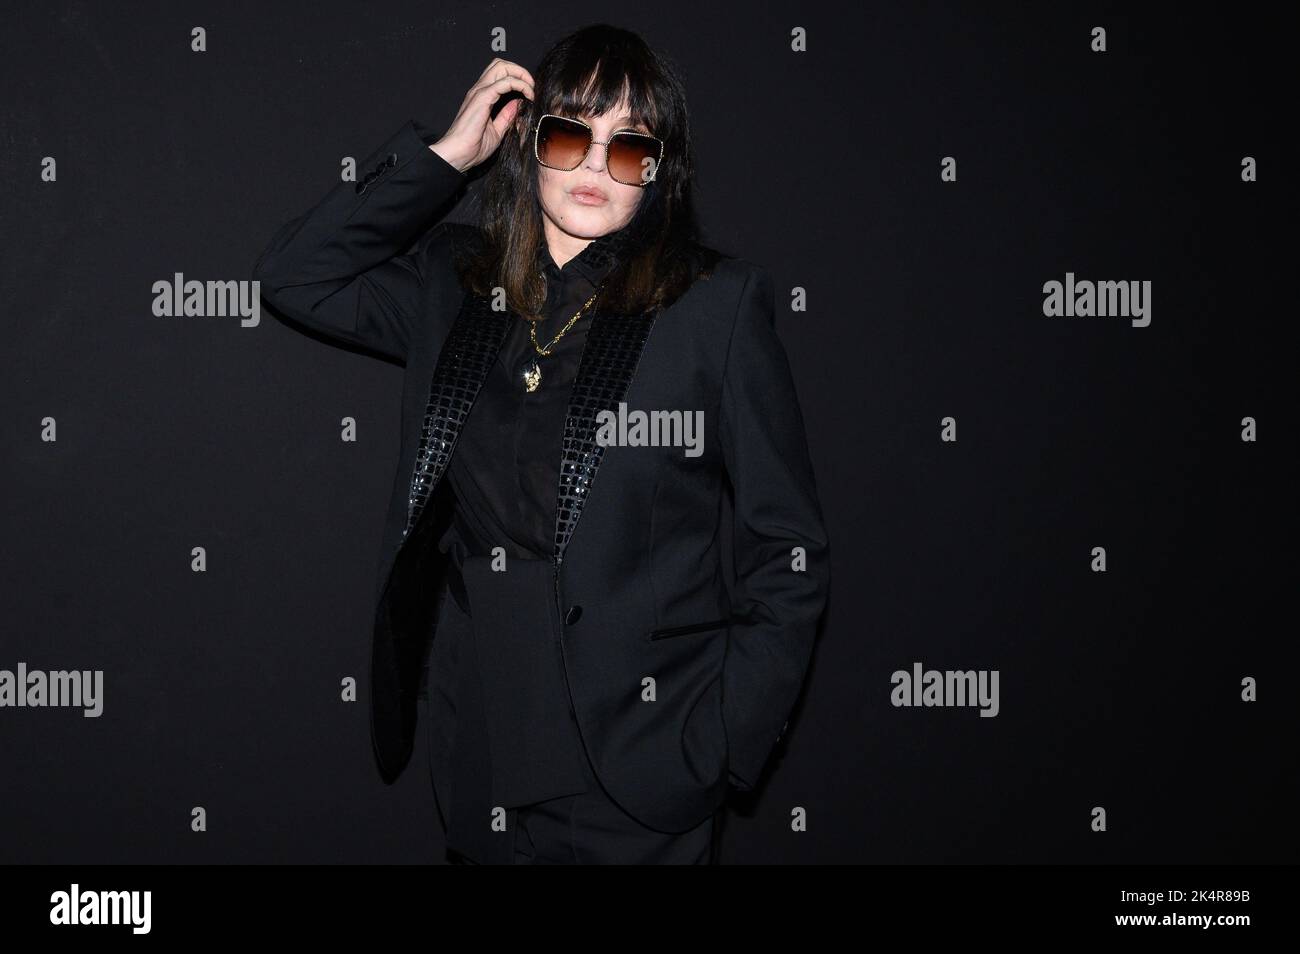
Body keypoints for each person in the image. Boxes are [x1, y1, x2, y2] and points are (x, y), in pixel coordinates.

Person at [252, 23, 830, 864]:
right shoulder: (453, 285)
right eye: (570, 135)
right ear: (528, 140)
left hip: (643, 746)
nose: (595, 167)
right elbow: (295, 275)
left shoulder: (714, 308)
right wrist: (448, 154)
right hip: (481, 723)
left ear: (657, 170)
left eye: (628, 148)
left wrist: (726, 742)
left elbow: (789, 548)